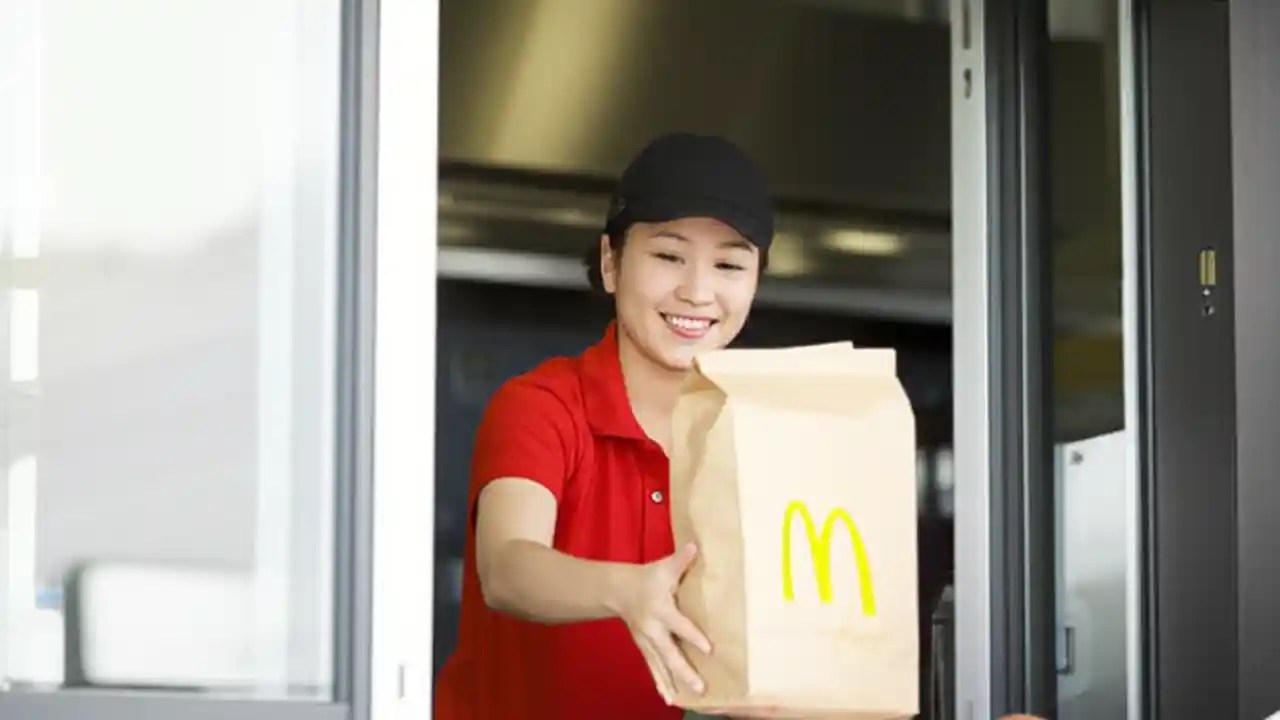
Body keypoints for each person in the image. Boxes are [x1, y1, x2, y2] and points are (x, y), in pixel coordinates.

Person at [433, 133, 775, 720]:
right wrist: (627, 590)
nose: (697, 291)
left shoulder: (760, 434)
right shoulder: (541, 406)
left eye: (728, 264)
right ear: (612, 263)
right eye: (669, 256)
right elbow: (508, 568)